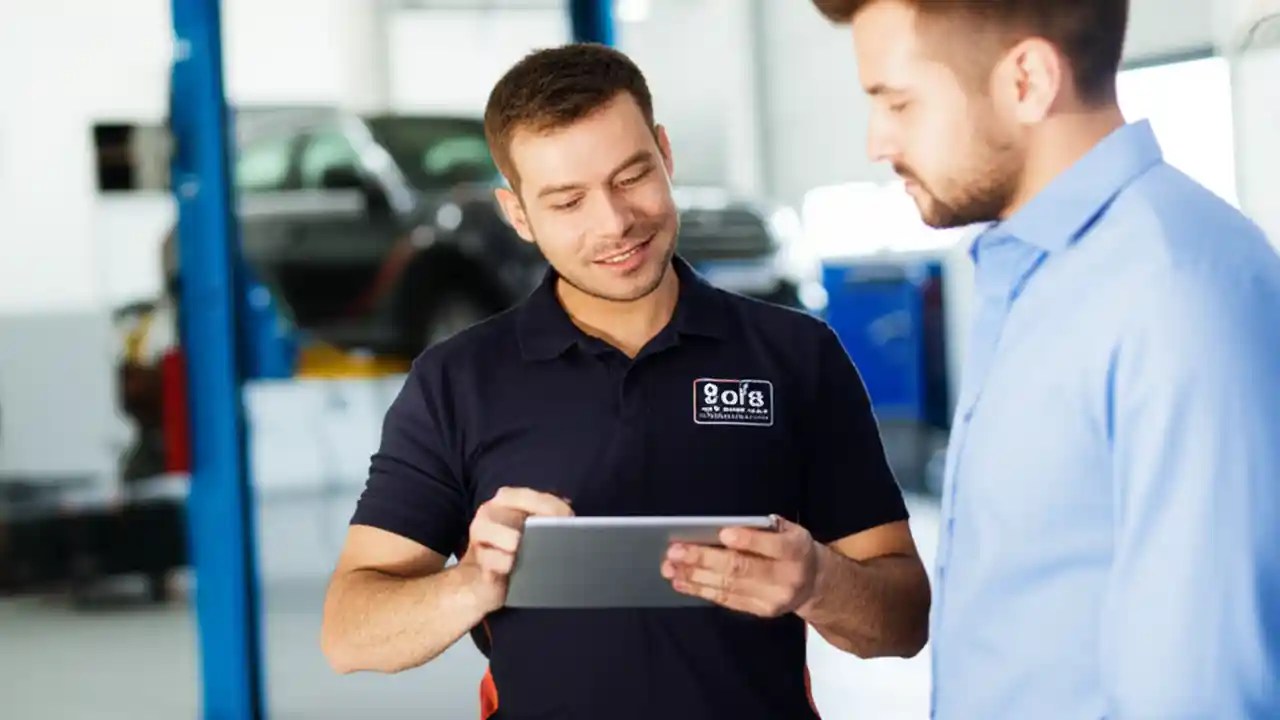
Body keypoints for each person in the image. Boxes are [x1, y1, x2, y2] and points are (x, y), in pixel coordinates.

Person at [320, 43, 930, 719]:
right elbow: (349, 633)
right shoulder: (457, 382)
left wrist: (818, 581)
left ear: (665, 154)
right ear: (518, 214)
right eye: (567, 200)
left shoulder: (795, 355)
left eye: (631, 176)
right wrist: (472, 583)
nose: (614, 223)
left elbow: (904, 621)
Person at [812, 0, 1280, 717]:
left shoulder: (1176, 288)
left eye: (900, 103)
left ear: (1026, 79)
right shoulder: (1032, 274)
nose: (877, 140)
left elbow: (1202, 687)